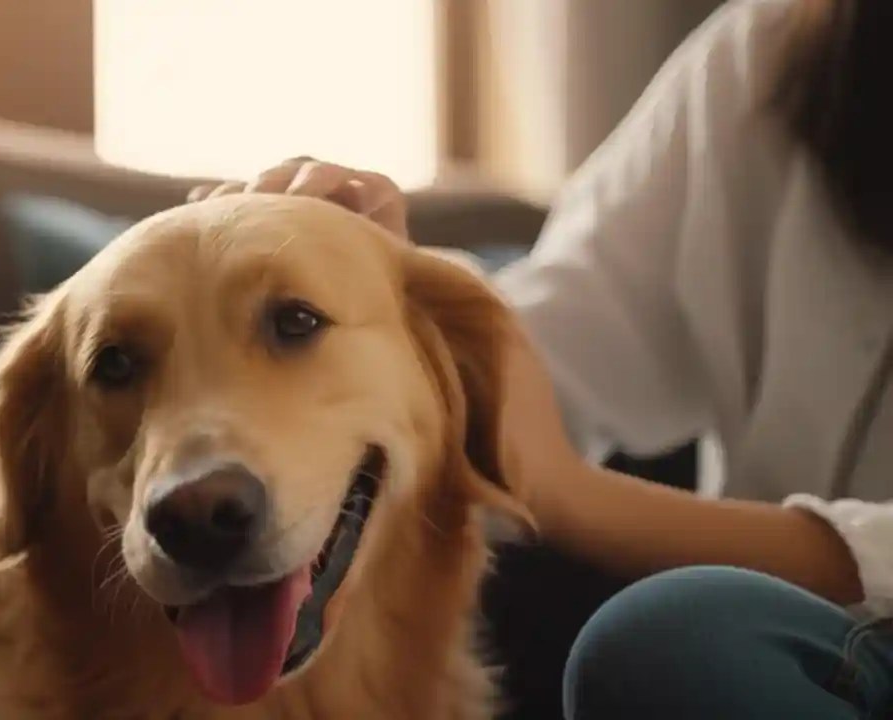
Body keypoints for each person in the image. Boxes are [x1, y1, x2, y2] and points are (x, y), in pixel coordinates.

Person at [187, 0, 893, 717]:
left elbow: (530, 465)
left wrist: (570, 495)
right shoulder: (768, 52)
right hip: (679, 537)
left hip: (759, 626)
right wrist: (396, 302)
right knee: (82, 262)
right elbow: (553, 360)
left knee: (667, 642)